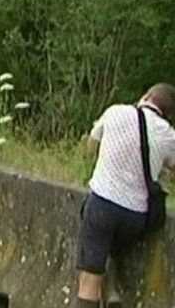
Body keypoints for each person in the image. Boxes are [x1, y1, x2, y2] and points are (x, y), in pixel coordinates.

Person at [73, 84, 175, 307]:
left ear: (146, 96)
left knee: (89, 276)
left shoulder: (116, 112)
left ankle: (98, 296)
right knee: (113, 252)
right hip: (136, 217)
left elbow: (89, 149)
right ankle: (112, 293)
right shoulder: (169, 135)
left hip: (103, 205)